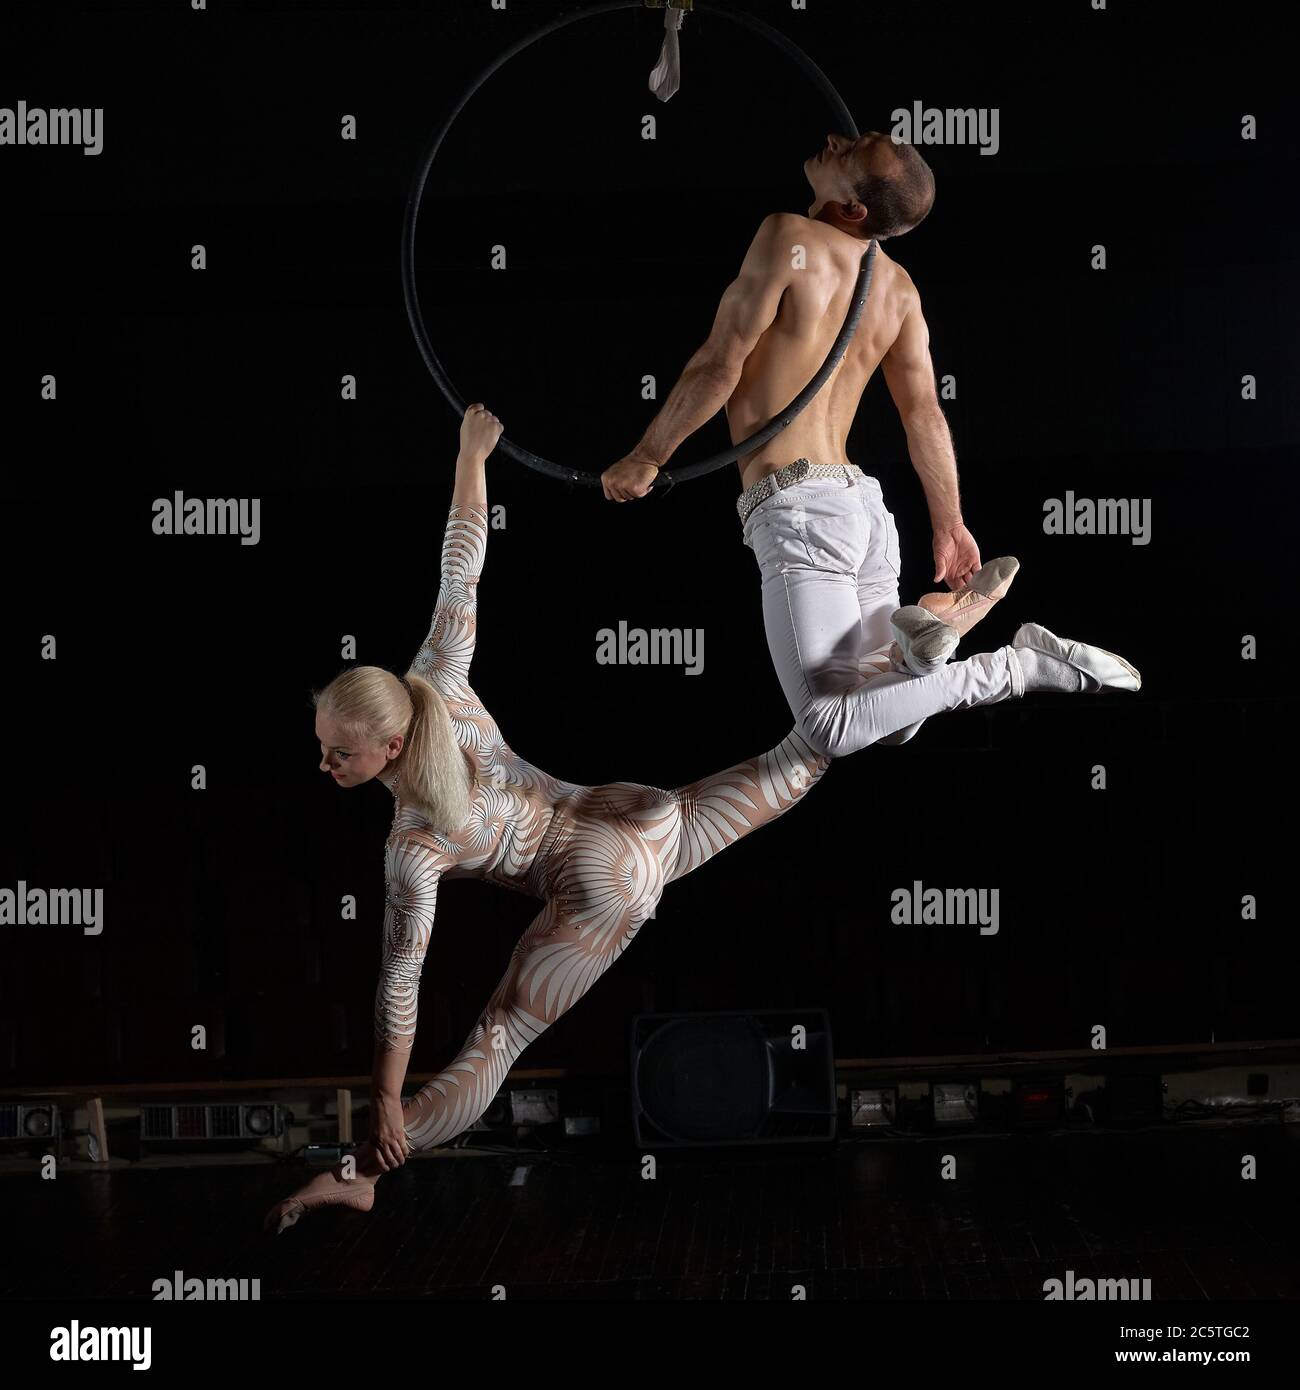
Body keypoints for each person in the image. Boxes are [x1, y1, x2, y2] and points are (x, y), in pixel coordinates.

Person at [263, 404, 829, 1233]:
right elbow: (463, 564)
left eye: (337, 755)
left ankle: (363, 1173)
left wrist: (385, 1098)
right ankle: (918, 656)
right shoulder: (438, 678)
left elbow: (400, 987)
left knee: (496, 1037)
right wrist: (470, 453)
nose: (323, 765)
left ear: (386, 749)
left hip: (594, 880)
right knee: (803, 757)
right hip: (637, 814)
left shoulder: (413, 847)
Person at [600, 131, 1139, 756]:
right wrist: (950, 522)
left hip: (798, 506)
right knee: (894, 722)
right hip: (862, 509)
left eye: (850, 153)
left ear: (854, 209)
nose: (834, 140)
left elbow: (720, 363)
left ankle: (1017, 669)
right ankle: (926, 639)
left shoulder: (787, 236)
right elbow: (924, 413)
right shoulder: (899, 289)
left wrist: (649, 455)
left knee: (828, 726)